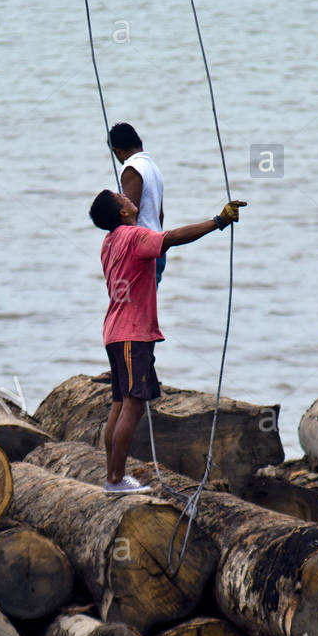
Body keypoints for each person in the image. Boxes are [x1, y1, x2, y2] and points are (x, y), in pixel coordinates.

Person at [88, 188, 245, 493]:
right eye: (123, 198)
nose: (128, 197)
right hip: (133, 333)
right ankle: (115, 480)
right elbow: (172, 237)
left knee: (119, 404)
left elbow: (160, 243)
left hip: (114, 332)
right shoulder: (134, 236)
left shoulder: (109, 243)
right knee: (132, 407)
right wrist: (218, 221)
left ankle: (113, 476)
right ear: (122, 212)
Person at [108, 123, 167, 284]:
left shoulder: (131, 169)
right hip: (157, 245)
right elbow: (160, 214)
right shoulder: (153, 167)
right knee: (148, 305)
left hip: (142, 251)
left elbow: (130, 215)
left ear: (117, 151)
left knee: (134, 306)